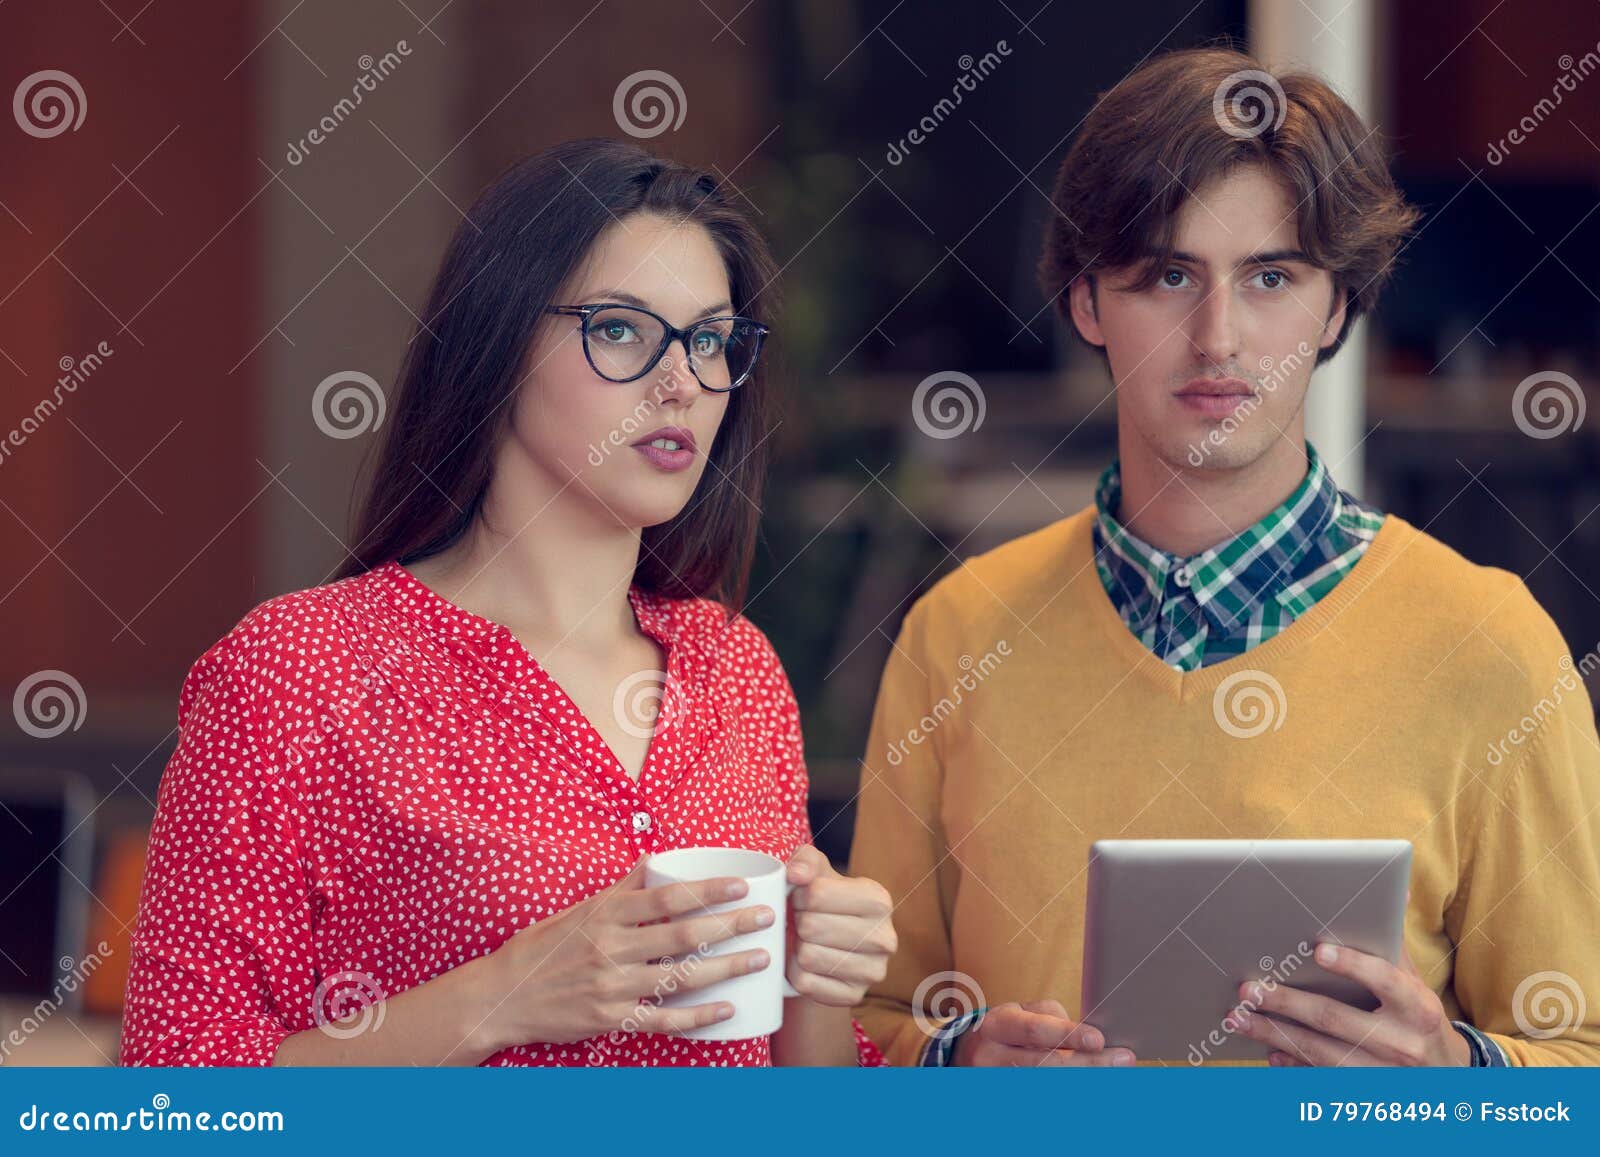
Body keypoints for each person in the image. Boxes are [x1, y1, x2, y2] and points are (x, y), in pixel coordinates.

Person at [850, 45, 1600, 1067]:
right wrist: (953, 1066)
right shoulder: (957, 631)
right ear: (1084, 302)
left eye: (1270, 277)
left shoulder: (1490, 645)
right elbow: (859, 1030)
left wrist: (1456, 1077)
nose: (1218, 336)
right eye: (1166, 274)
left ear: (1336, 306)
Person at [120, 138, 896, 1068]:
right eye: (620, 329)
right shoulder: (298, 669)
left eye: (711, 339)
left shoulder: (737, 669)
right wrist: (504, 992)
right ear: (496, 340)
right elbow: (173, 1095)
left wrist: (817, 980)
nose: (682, 381)